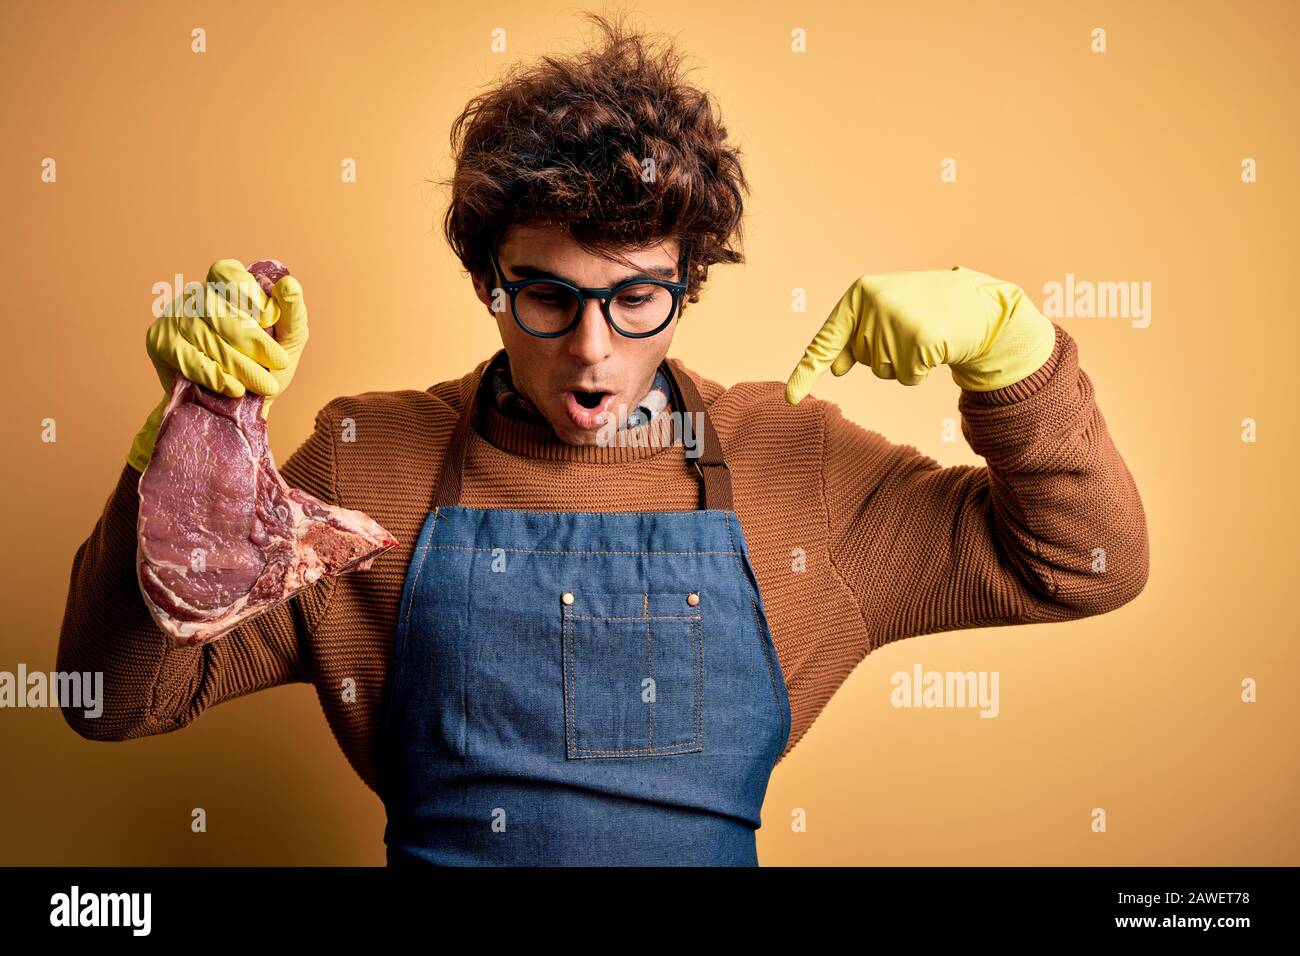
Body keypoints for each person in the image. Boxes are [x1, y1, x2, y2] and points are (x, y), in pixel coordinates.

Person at [57, 12, 1148, 866]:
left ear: (690, 282)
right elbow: (111, 702)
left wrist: (1013, 352)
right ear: (489, 285)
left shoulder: (791, 462)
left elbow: (1080, 567)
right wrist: (190, 441)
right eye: (547, 297)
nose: (591, 350)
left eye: (638, 299)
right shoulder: (365, 458)